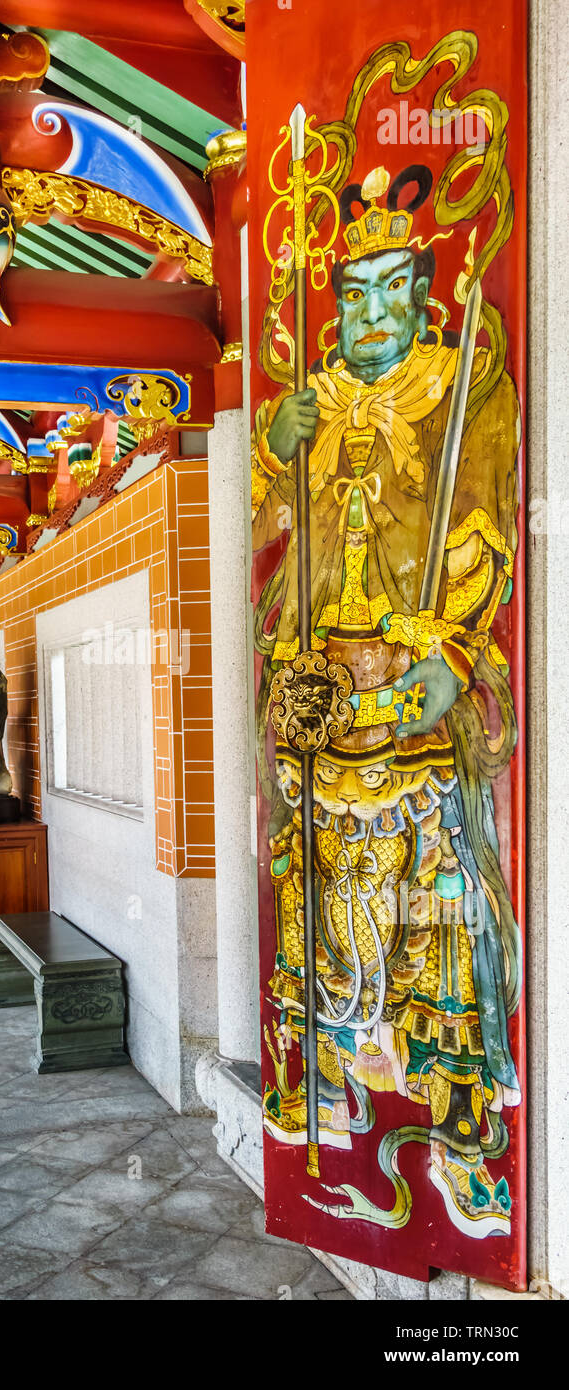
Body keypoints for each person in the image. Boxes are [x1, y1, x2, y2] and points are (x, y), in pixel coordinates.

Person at [252, 164, 521, 1238]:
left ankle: (455, 1121)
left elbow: (486, 520)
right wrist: (277, 446)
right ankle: (318, 1068)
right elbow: (266, 522)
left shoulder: (464, 384)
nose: (367, 315)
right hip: (316, 675)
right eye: (349, 295)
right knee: (307, 882)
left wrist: (452, 649)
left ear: (421, 291)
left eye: (387, 293)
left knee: (437, 899)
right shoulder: (309, 401)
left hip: (414, 665)